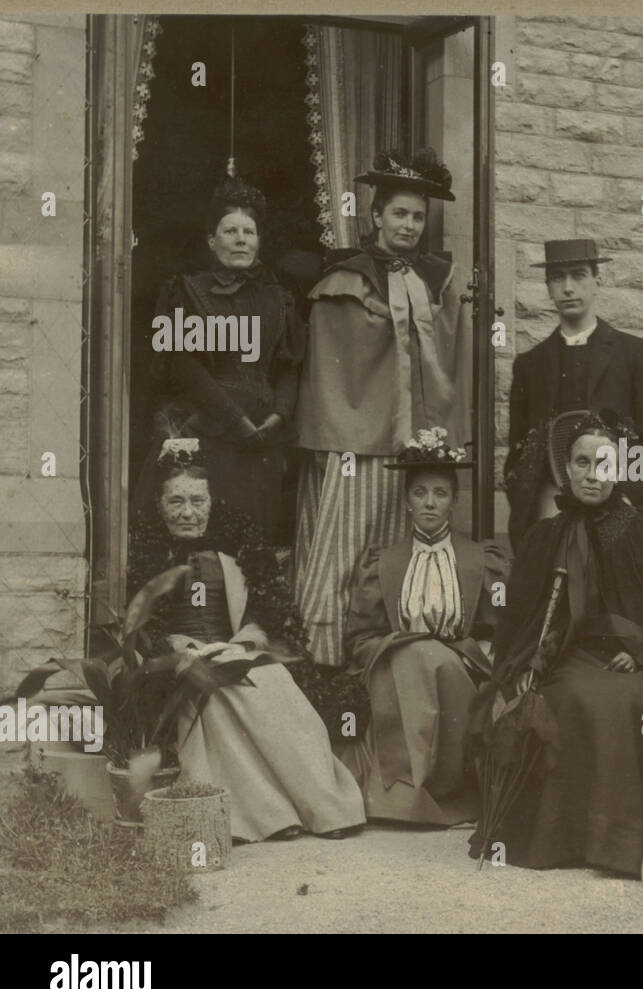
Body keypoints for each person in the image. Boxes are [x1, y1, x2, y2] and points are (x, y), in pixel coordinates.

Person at [472, 410, 643, 875]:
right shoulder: (545, 536)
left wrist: (639, 652)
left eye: (604, 463)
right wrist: (539, 655)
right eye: (581, 463)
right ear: (566, 469)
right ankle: (565, 841)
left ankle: (621, 844)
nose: (593, 475)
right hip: (566, 659)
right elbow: (522, 620)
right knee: (572, 698)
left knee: (629, 700)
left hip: (635, 663)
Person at [128, 439, 365, 842]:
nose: (188, 512)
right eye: (176, 501)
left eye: (198, 501)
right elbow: (142, 625)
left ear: (212, 500)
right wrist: (181, 648)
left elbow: (265, 607)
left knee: (274, 686)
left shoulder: (236, 542)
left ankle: (323, 807)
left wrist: (243, 643)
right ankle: (266, 815)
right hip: (181, 660)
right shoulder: (145, 546)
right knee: (215, 693)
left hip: (236, 647)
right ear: (159, 502)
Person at [295, 149, 472, 666]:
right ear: (375, 217)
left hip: (414, 446)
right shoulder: (345, 279)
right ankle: (327, 659)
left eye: (418, 216)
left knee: (397, 552)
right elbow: (331, 370)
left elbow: (452, 356)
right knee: (346, 550)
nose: (409, 225)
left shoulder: (439, 280)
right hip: (356, 444)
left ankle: (388, 654)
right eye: (399, 213)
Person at [339, 430, 507, 825]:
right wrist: (403, 647)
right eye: (419, 493)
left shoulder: (483, 560)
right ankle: (403, 796)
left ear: (454, 501)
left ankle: (444, 787)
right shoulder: (382, 563)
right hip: (396, 670)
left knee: (434, 660)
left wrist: (475, 650)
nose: (430, 503)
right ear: (406, 501)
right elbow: (359, 638)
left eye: (440, 493)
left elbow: (500, 628)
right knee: (414, 656)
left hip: (458, 672)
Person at [139, 176, 306, 539]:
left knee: (253, 541)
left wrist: (278, 416)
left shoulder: (279, 297)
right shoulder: (187, 291)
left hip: (263, 438)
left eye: (249, 231)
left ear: (260, 241)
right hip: (209, 431)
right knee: (207, 533)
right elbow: (185, 367)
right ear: (212, 242)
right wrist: (237, 420)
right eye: (230, 231)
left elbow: (288, 366)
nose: (241, 239)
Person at [504, 239, 643, 550]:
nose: (568, 287)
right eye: (558, 278)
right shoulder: (529, 364)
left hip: (620, 512)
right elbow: (517, 452)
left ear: (598, 280)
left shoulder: (634, 353)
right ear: (548, 286)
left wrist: (623, 498)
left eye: (579, 275)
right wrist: (533, 501)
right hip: (550, 512)